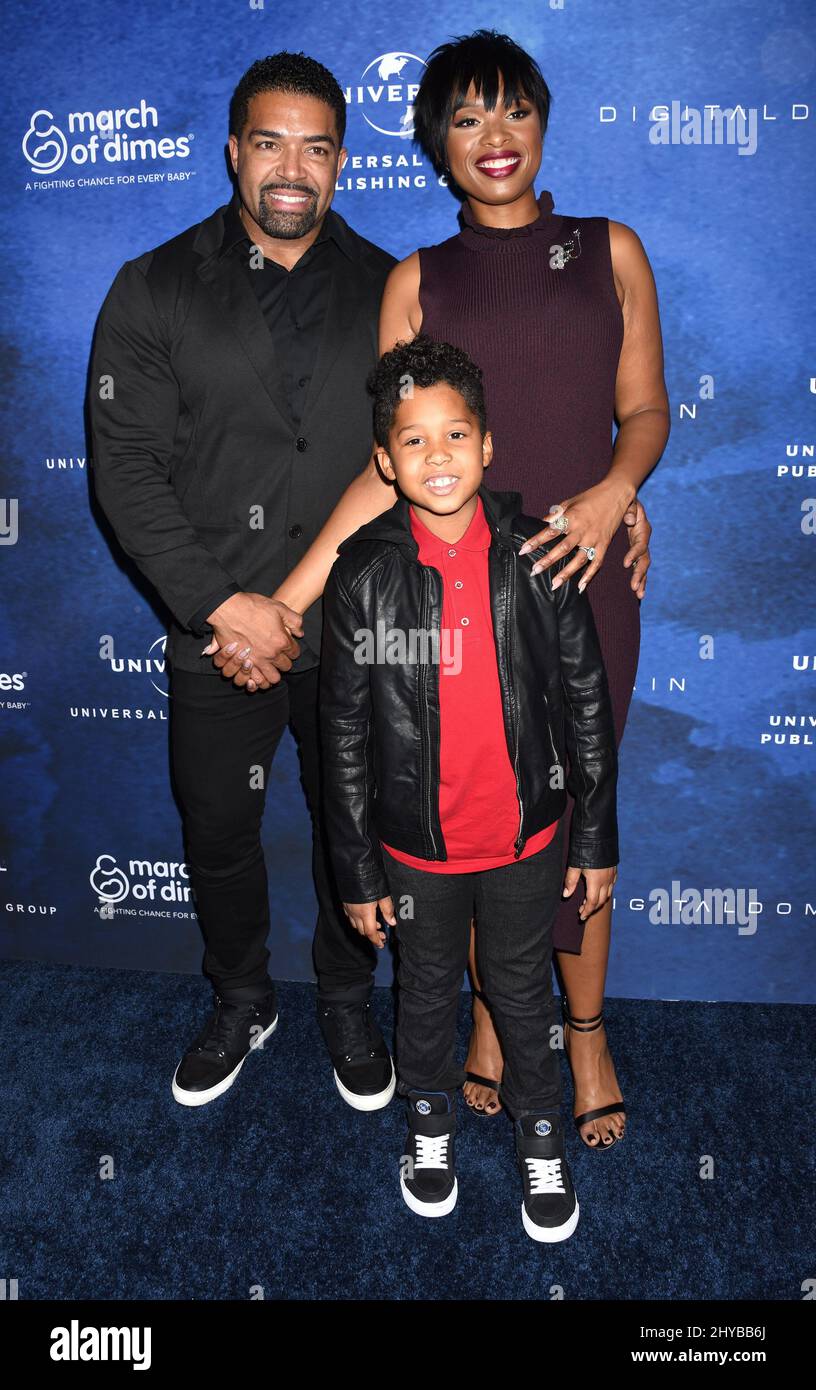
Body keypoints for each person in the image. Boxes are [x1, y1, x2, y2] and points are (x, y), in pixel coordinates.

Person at [216, 28, 668, 1144]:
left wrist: (617, 491)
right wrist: (294, 595)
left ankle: (587, 1028)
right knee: (473, 813)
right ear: (436, 145)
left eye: (512, 111)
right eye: (466, 119)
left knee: (573, 807)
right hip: (446, 601)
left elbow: (645, 408)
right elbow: (390, 468)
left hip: (578, 573)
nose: (494, 137)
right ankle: (487, 1023)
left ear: (544, 120)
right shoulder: (417, 279)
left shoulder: (612, 248)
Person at [87, 52, 400, 1111]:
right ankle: (241, 996)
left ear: (342, 160)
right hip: (215, 629)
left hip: (357, 626)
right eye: (270, 142)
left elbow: (424, 449)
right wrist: (228, 608)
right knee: (218, 830)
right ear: (233, 150)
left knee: (350, 828)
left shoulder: (393, 285)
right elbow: (124, 469)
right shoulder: (155, 284)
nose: (291, 168)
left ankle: (348, 997)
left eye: (316, 146)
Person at [318, 334, 619, 1241]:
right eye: (413, 441)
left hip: (528, 840)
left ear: (489, 447)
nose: (437, 456)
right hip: (416, 850)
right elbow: (341, 733)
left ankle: (539, 1139)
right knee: (424, 993)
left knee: (524, 996)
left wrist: (594, 836)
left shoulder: (542, 557)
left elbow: (585, 702)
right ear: (384, 459)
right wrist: (359, 870)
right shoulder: (362, 576)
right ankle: (429, 1127)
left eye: (456, 435)